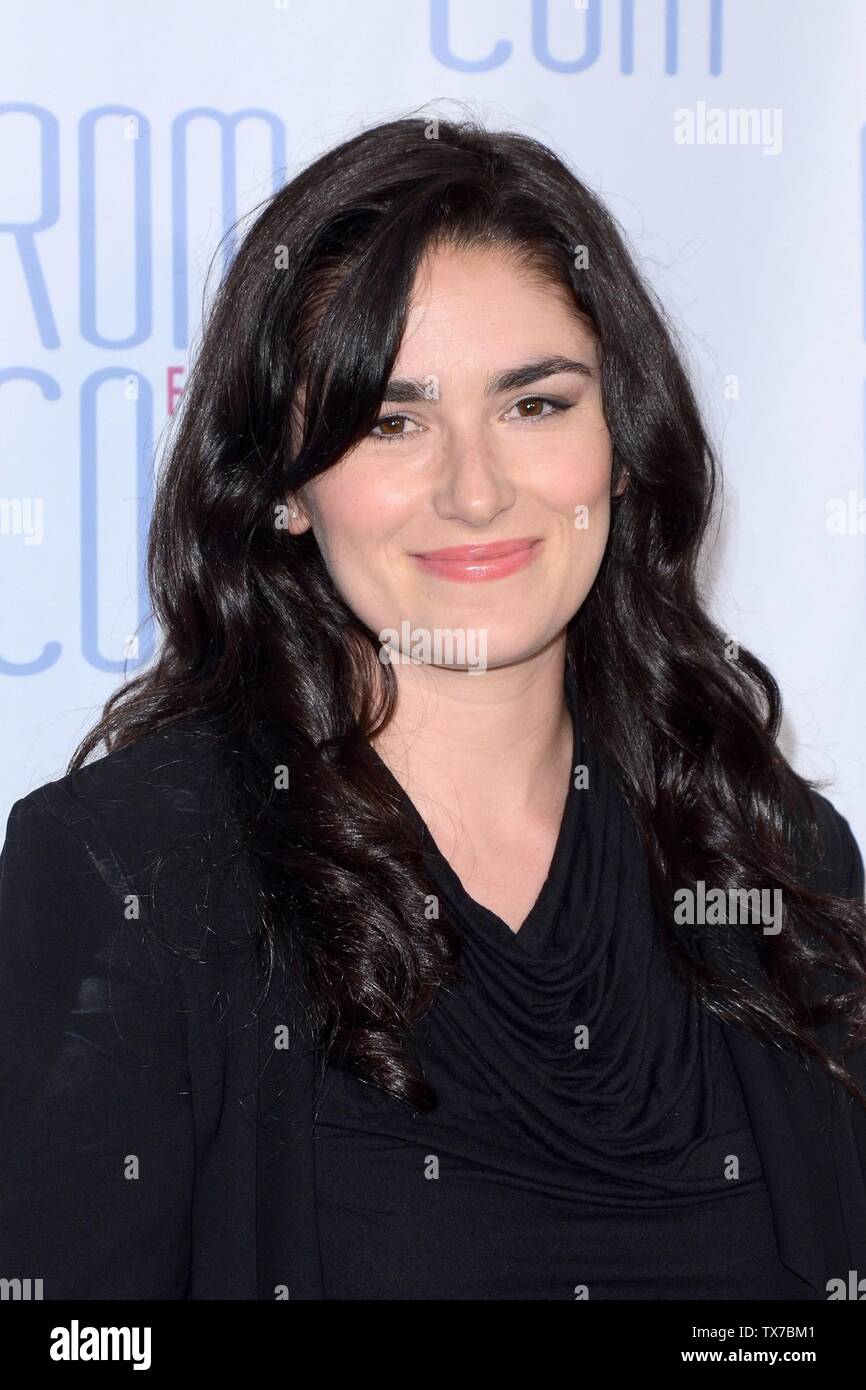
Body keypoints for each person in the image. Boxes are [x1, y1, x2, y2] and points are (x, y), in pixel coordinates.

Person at [2, 111, 865, 1302]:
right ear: (286, 488)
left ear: (621, 446)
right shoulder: (134, 871)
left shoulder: (772, 857)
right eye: (390, 422)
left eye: (535, 405)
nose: (474, 489)